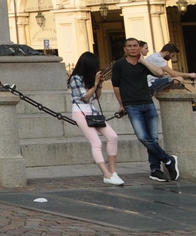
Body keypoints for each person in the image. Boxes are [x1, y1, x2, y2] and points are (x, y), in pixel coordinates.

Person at [111, 38, 181, 182]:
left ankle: (155, 169)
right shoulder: (119, 65)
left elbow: (160, 73)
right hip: (131, 105)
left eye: (135, 46)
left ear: (139, 47)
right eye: (129, 46)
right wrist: (121, 103)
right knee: (143, 137)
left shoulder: (144, 64)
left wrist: (143, 61)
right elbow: (116, 86)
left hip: (148, 103)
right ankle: (168, 160)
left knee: (153, 138)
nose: (132, 48)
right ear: (125, 49)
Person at [69, 52, 121, 185]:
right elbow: (85, 97)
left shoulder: (90, 77)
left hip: (92, 111)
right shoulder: (75, 78)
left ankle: (112, 170)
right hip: (80, 112)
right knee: (96, 143)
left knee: (112, 136)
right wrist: (95, 83)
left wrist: (99, 84)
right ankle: (107, 174)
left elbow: (96, 97)